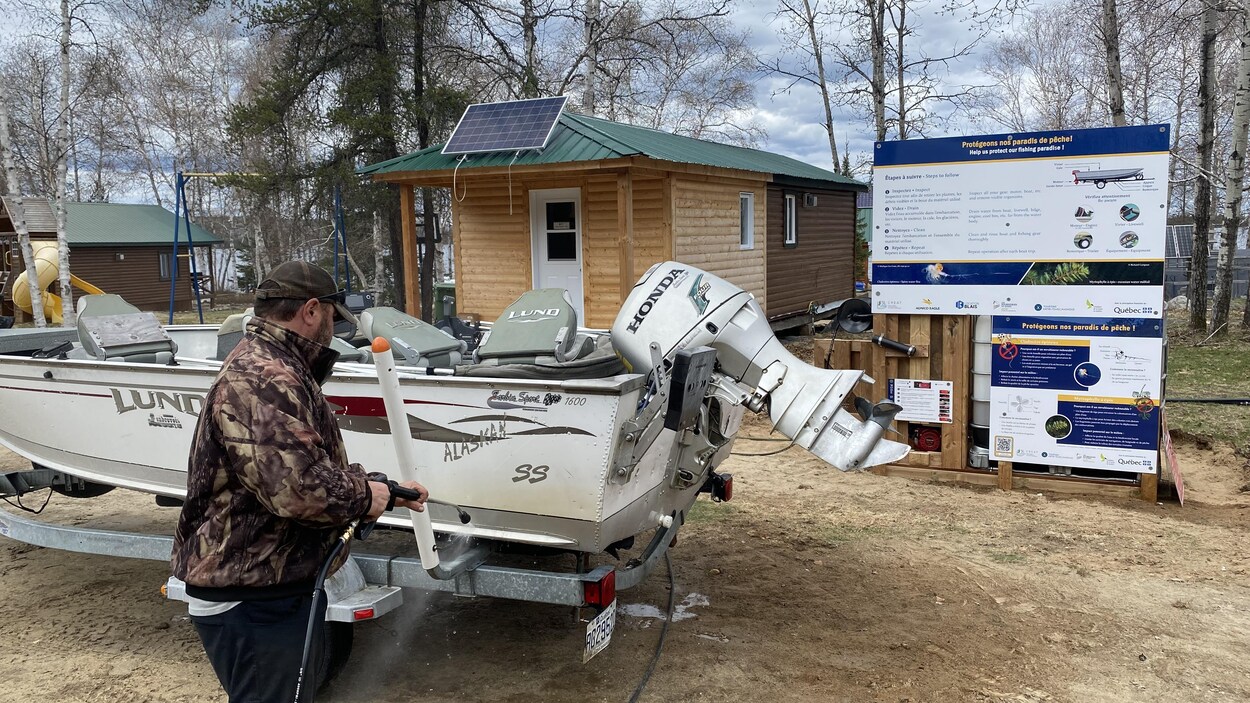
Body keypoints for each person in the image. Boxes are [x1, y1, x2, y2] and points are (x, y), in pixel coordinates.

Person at [171, 260, 427, 702]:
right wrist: (367, 495)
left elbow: (301, 465)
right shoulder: (260, 378)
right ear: (311, 310)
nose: (334, 328)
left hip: (269, 586)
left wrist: (381, 489)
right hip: (250, 596)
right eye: (332, 315)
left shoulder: (278, 367)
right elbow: (296, 491)